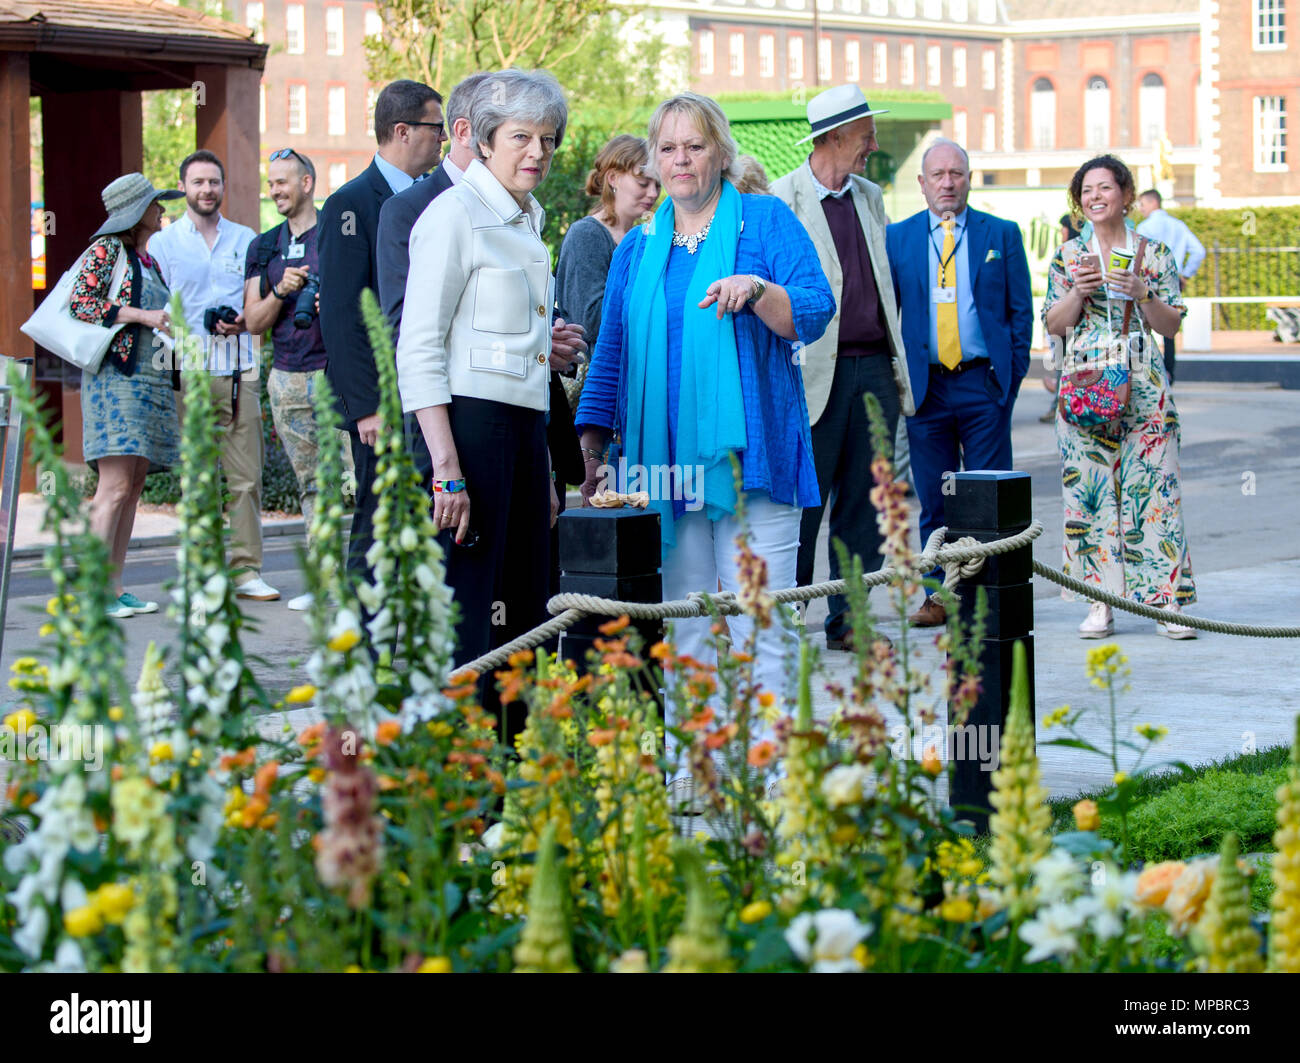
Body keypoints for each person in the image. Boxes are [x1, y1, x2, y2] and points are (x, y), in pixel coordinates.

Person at [576, 92, 834, 727]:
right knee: (684, 624)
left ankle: (773, 769)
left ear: (720, 151)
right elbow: (611, 351)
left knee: (761, 619)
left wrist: (758, 289)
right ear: (654, 161)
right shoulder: (636, 249)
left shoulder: (766, 222)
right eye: (668, 148)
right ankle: (694, 761)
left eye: (694, 146)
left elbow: (817, 305)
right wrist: (591, 448)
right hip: (662, 466)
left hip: (755, 459)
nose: (682, 159)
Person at [394, 69, 568, 745]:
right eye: (522, 136)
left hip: (523, 436)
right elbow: (420, 347)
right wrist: (446, 466)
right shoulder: (453, 215)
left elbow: (525, 360)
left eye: (548, 139)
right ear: (485, 141)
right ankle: (467, 787)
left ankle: (518, 772)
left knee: (526, 607)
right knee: (473, 613)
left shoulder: (529, 221)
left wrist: (547, 468)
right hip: (467, 433)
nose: (538, 151)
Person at [771, 84, 915, 652]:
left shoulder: (871, 196)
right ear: (833, 137)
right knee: (804, 505)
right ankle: (785, 620)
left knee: (865, 505)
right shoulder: (782, 200)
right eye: (865, 136)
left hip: (874, 368)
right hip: (810, 374)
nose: (873, 146)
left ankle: (851, 620)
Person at [1043, 155, 1196, 639]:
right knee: (1088, 493)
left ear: (1126, 195)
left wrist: (1143, 293)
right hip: (1086, 383)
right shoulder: (1069, 257)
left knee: (1156, 491)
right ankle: (1099, 603)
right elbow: (1053, 324)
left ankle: (1167, 603)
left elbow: (1171, 325)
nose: (1094, 197)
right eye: (1086, 190)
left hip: (1143, 385)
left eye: (1104, 188)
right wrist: (1077, 295)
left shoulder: (1155, 254)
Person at [885, 138, 1033, 628]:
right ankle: (938, 597)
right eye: (939, 175)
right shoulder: (898, 238)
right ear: (922, 183)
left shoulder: (1001, 234)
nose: (948, 183)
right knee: (936, 498)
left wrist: (1006, 385)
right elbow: (889, 315)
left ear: (969, 179)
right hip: (927, 390)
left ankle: (990, 594)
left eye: (957, 173)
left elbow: (1019, 314)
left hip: (981, 385)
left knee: (991, 498)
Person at [319, 79, 445, 586]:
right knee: (378, 524)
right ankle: (362, 650)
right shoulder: (350, 204)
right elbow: (344, 315)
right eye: (436, 128)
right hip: (382, 403)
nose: (442, 139)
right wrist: (366, 406)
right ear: (402, 130)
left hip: (424, 390)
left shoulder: (433, 200)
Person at [149, 150, 278, 601]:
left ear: (223, 188)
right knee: (197, 478)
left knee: (246, 478)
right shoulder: (162, 246)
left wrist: (242, 320)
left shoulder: (248, 240)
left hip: (240, 371)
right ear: (183, 187)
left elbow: (259, 302)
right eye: (198, 182)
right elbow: (154, 308)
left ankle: (246, 571)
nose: (207, 190)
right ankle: (199, 574)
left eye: (214, 182)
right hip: (187, 372)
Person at [242, 148, 354, 611]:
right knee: (313, 485)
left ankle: (375, 577)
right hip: (286, 377)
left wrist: (339, 306)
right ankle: (324, 582)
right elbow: (252, 320)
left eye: (282, 182)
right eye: (270, 184)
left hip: (338, 375)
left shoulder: (339, 232)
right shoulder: (264, 246)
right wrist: (281, 290)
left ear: (307, 183)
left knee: (357, 478)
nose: (274, 191)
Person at [71, 173, 183, 618]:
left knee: (133, 485)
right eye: (155, 204)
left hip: (148, 382)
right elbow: (82, 303)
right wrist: (144, 316)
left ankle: (114, 588)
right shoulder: (106, 250)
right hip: (116, 382)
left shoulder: (149, 260)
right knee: (114, 487)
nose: (161, 210)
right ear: (137, 212)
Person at [1137, 188, 1205, 385]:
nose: (1140, 209)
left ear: (1152, 203)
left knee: (1143, 327)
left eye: (1142, 204)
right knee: (1170, 331)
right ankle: (1169, 373)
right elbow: (1198, 251)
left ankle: (1146, 372)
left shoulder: (1144, 228)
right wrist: (1185, 275)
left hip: (1149, 283)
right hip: (1173, 281)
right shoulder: (1178, 225)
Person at [1040, 213, 1083, 422]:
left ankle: (1062, 405)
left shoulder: (1073, 256)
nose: (1061, 233)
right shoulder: (1063, 255)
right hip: (1062, 325)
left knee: (1065, 368)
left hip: (1071, 329)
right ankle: (1060, 404)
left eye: (1063, 228)